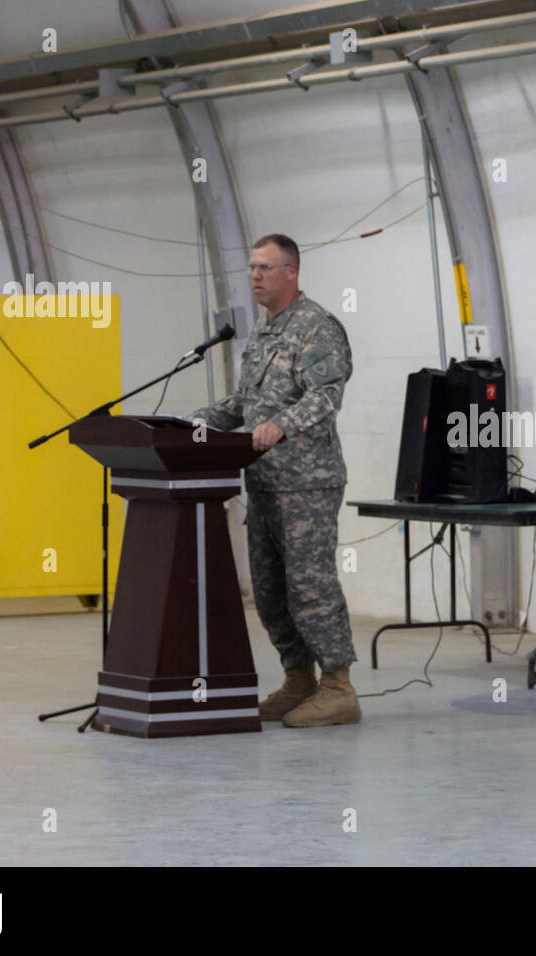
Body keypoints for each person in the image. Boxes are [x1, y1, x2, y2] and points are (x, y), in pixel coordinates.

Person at [191, 233, 358, 728]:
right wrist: (193, 423)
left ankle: (338, 685)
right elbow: (245, 404)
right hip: (263, 480)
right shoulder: (264, 334)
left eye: (265, 267)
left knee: (311, 585)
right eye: (251, 268)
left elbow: (327, 393)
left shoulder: (317, 327)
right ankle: (298, 678)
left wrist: (283, 423)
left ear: (292, 271)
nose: (255, 276)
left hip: (308, 482)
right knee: (269, 589)